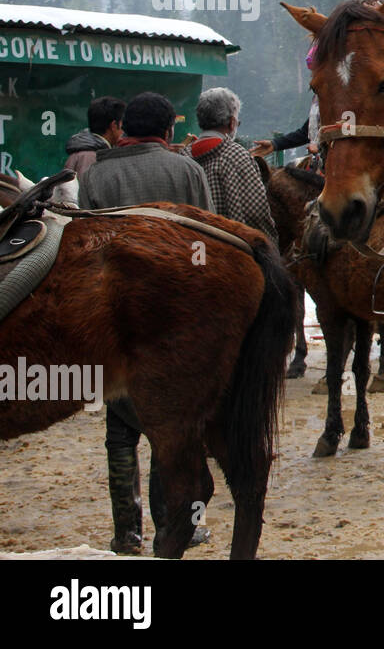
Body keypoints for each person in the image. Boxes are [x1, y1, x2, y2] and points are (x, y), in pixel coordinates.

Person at [79, 91, 214, 554]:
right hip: (175, 323)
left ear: (124, 128)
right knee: (170, 430)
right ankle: (175, 526)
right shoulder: (187, 171)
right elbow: (206, 244)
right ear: (168, 132)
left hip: (115, 322)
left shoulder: (97, 174)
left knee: (120, 430)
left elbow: (87, 250)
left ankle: (126, 532)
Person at [183, 87, 277, 242]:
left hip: (191, 248)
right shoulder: (237, 156)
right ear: (232, 123)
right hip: (229, 251)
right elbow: (256, 212)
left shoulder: (184, 156)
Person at [58, 96, 125, 205]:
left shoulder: (85, 150)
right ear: (113, 126)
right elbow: (88, 199)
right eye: (122, 124)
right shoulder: (91, 156)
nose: (123, 131)